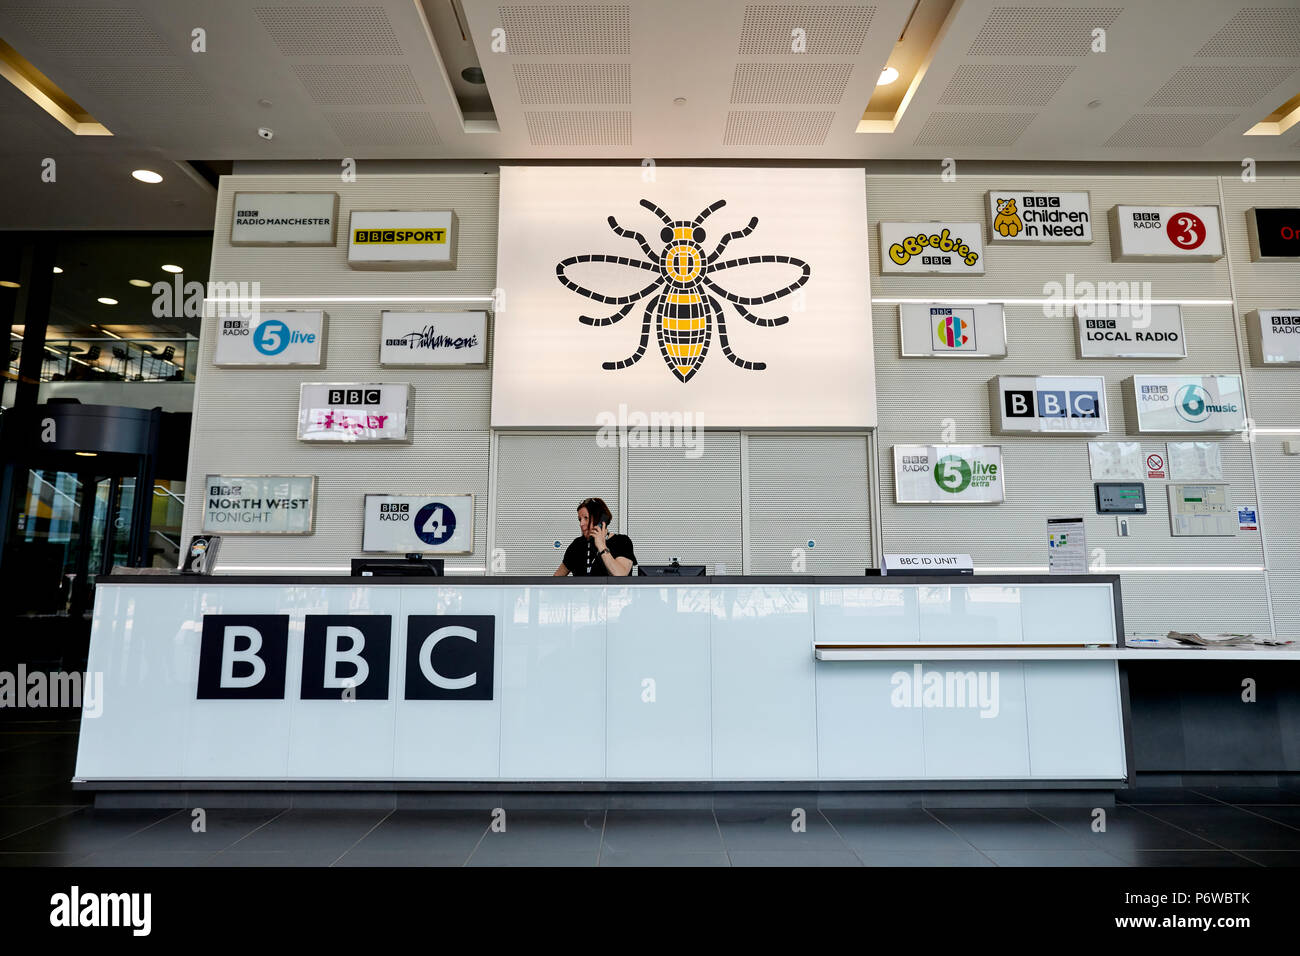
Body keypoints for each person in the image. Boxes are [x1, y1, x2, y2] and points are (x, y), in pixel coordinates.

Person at [554, 497, 636, 576]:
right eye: (580, 519)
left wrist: (601, 546)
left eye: (586, 518)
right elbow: (556, 579)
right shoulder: (577, 545)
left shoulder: (622, 541)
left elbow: (620, 574)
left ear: (601, 520)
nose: (581, 524)